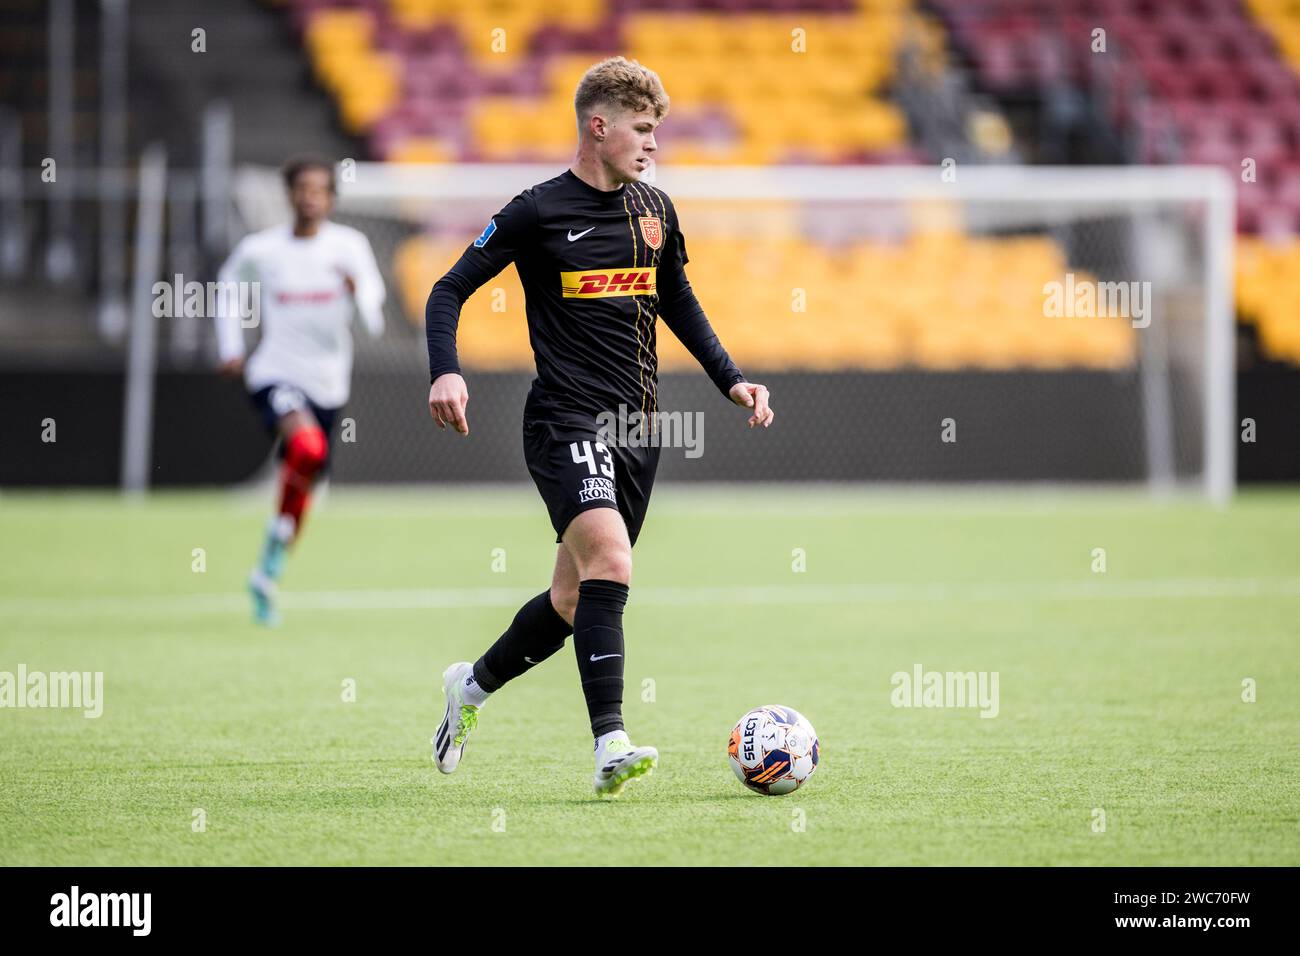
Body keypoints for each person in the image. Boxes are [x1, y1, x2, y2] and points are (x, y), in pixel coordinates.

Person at [425, 57, 773, 797]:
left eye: (656, 131)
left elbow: (677, 297)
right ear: (599, 125)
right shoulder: (536, 211)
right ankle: (610, 742)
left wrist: (731, 378)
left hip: (637, 430)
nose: (652, 144)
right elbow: (448, 288)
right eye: (643, 130)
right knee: (612, 563)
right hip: (564, 419)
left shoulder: (655, 210)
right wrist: (444, 369)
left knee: (572, 600)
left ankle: (469, 690)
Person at [215, 155, 385, 626]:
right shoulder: (262, 249)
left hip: (329, 383)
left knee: (306, 472)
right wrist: (231, 345)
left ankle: (270, 564)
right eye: (302, 188)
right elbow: (228, 285)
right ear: (289, 194)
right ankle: (277, 536)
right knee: (307, 448)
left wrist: (357, 297)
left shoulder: (350, 246)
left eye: (319, 189)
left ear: (331, 198)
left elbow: (374, 315)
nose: (310, 196)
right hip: (275, 373)